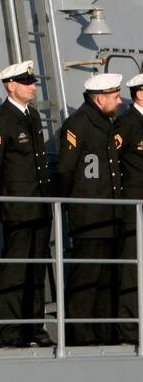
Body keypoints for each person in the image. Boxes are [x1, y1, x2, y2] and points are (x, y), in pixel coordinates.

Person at [0, 60, 54, 347]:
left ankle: (33, 328)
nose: (32, 86)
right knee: (15, 269)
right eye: (26, 83)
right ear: (10, 86)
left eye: (33, 82)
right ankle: (9, 330)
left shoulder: (32, 116)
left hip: (38, 206)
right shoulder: (2, 120)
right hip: (17, 207)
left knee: (36, 270)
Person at [57, 72, 123, 345]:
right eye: (115, 96)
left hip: (109, 214)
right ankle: (81, 333)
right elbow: (65, 169)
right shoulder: (79, 124)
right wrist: (69, 205)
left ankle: (103, 330)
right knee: (87, 275)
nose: (119, 101)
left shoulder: (105, 123)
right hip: (89, 215)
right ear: (100, 98)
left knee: (106, 277)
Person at [116, 72, 143, 344]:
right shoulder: (127, 124)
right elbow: (113, 162)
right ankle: (128, 326)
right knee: (132, 266)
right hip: (134, 208)